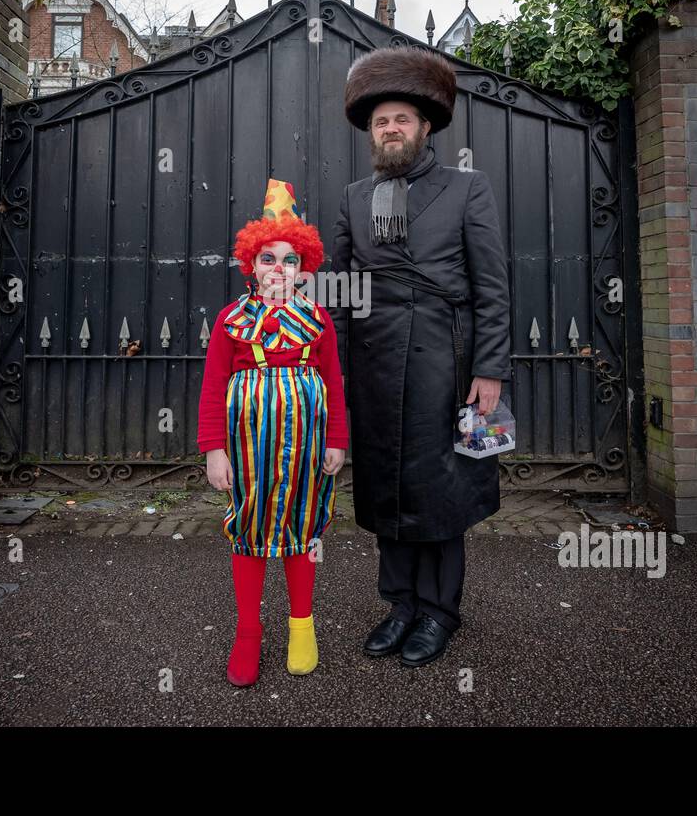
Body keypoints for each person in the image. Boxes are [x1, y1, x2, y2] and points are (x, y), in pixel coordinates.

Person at [332, 45, 512, 667]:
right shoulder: (356, 197)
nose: (390, 129)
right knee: (385, 485)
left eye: (401, 120)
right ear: (371, 132)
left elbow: (493, 284)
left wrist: (491, 369)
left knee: (443, 488)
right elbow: (339, 286)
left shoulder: (468, 188)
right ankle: (400, 603)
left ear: (425, 126)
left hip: (450, 362)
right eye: (381, 121)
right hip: (375, 366)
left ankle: (439, 612)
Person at [198, 179, 349, 687]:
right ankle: (248, 631)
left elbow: (333, 381)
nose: (278, 269)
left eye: (289, 260)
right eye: (268, 259)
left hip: (307, 442)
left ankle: (301, 626)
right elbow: (214, 385)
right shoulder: (230, 321)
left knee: (301, 528)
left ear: (303, 268)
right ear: (251, 265)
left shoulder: (318, 319)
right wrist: (214, 450)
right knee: (251, 525)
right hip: (248, 444)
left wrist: (336, 440)